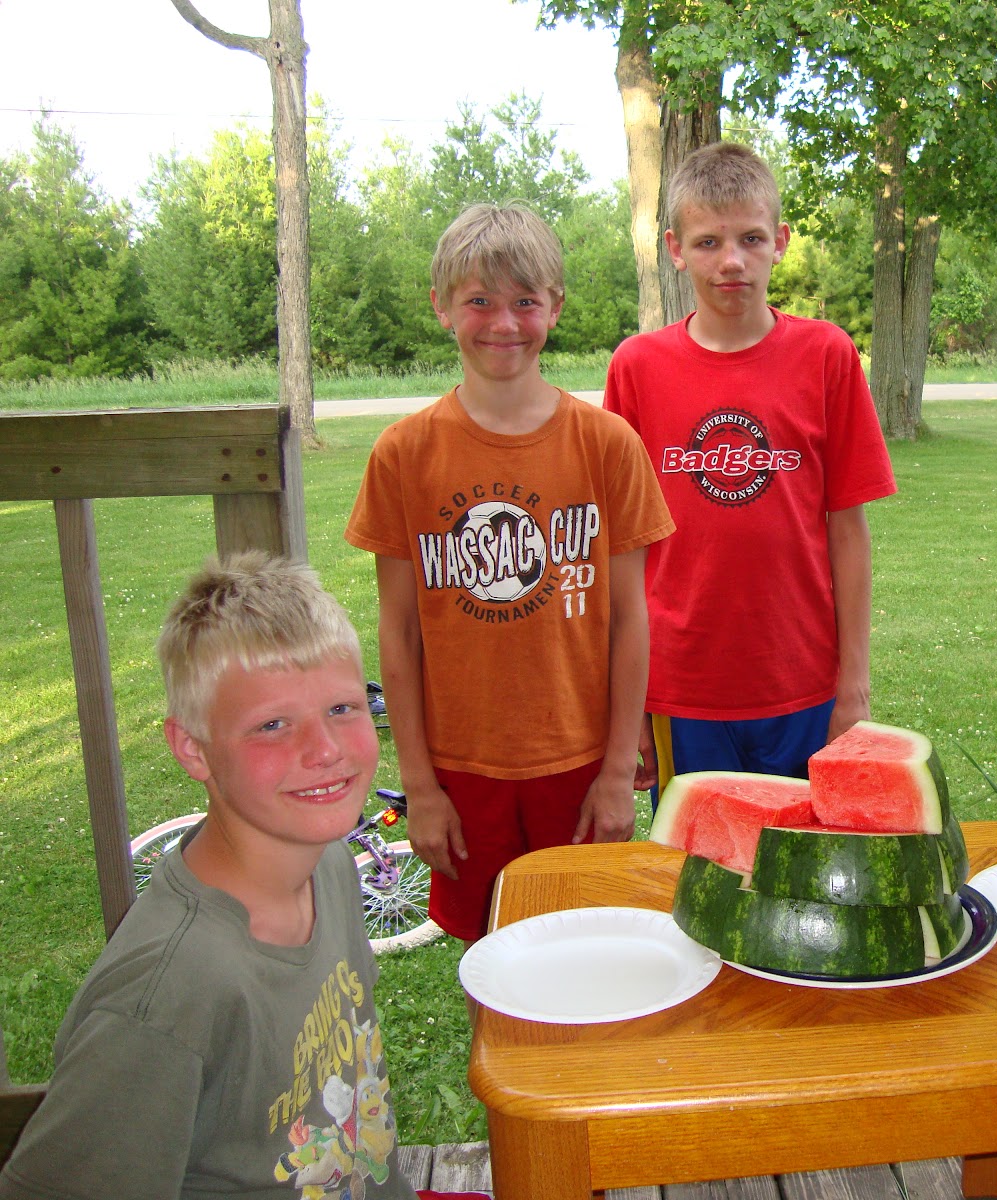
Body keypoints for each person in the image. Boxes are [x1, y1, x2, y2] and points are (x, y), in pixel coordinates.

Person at [0, 553, 433, 1199]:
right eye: (273, 725)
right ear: (192, 748)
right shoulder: (167, 997)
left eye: (343, 708)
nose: (325, 749)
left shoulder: (332, 868)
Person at [345, 202, 673, 941]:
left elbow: (630, 620)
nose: (504, 322)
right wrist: (421, 787)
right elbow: (397, 633)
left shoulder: (608, 445)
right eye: (479, 301)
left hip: (581, 759)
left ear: (554, 306)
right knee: (491, 953)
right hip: (465, 768)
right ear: (441, 308)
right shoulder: (404, 454)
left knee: (586, 943)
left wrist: (619, 771)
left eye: (526, 300)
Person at [603, 142, 896, 789]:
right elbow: (619, 551)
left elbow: (848, 532)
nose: (731, 261)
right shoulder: (637, 368)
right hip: (681, 688)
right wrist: (625, 707)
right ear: (676, 249)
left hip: (802, 683)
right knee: (700, 878)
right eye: (708, 242)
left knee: (802, 873)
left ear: (781, 241)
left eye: (751, 238)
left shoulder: (826, 354)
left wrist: (854, 691)